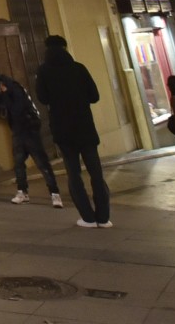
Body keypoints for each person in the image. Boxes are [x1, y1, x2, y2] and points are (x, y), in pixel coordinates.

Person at [34, 35, 109, 228]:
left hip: (63, 129)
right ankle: (103, 217)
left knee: (73, 173)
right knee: (96, 172)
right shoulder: (79, 68)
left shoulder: (44, 71)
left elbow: (42, 98)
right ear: (65, 48)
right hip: (85, 127)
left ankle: (87, 217)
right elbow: (94, 96)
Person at [0, 73, 62, 206]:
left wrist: (4, 95)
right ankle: (22, 192)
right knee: (18, 163)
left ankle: (55, 194)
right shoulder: (4, 93)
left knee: (42, 163)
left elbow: (17, 110)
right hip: (17, 131)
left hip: (29, 129)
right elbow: (2, 111)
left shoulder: (16, 90)